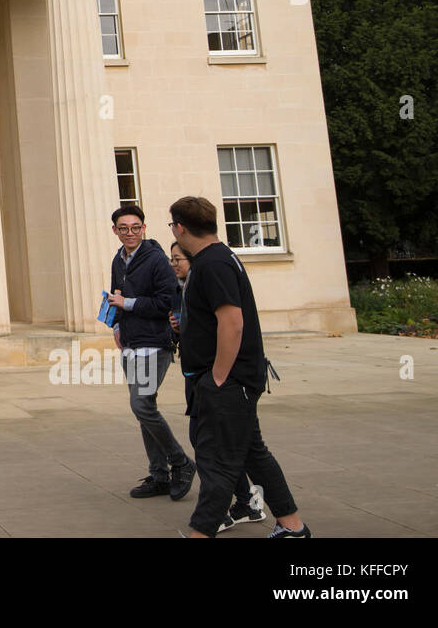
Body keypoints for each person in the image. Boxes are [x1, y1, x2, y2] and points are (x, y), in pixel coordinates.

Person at [169, 196, 310, 538]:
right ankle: (292, 528)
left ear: (180, 227)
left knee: (217, 461)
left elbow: (232, 322)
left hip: (229, 383)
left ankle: (201, 534)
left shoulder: (213, 263)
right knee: (252, 455)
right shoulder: (218, 257)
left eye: (172, 225)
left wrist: (218, 377)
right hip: (234, 380)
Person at [170, 240, 266, 532]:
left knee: (213, 447)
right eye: (171, 259)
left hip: (218, 379)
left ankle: (220, 513)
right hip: (201, 377)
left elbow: (229, 326)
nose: (174, 264)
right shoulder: (185, 287)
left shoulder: (212, 270)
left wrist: (218, 378)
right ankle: (254, 506)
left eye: (178, 259)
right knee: (242, 448)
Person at [108, 205, 195, 501]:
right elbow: (114, 298)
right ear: (115, 231)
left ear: (144, 229)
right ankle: (159, 475)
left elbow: (165, 303)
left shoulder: (157, 260)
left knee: (142, 406)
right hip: (130, 346)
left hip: (153, 345)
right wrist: (117, 325)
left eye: (135, 227)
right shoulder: (118, 260)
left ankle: (181, 462)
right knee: (144, 411)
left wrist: (127, 304)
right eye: (123, 228)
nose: (130, 233)